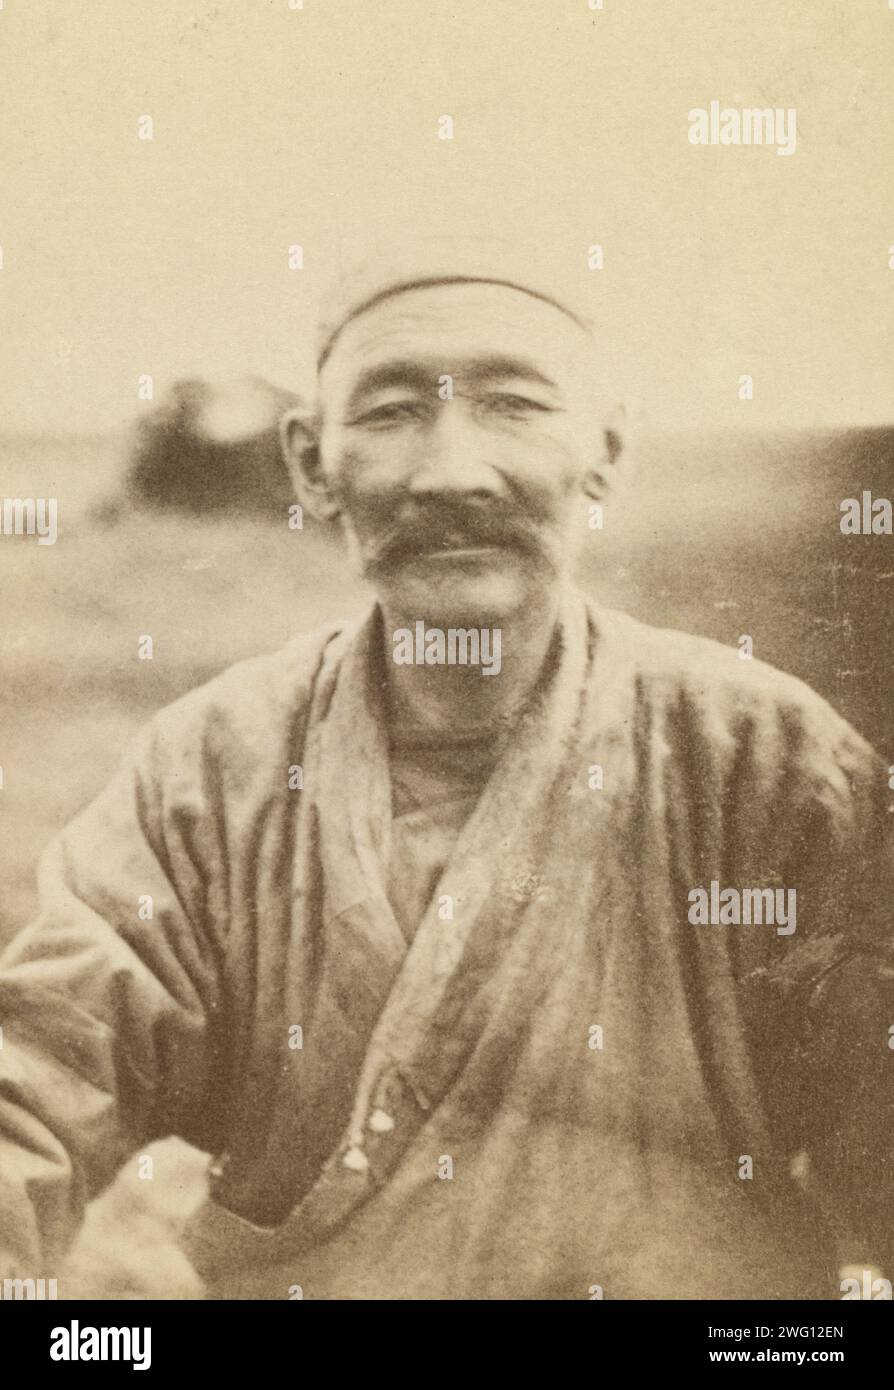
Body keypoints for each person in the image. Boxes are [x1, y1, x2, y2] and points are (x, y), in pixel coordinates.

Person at [1, 241, 892, 1300]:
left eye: (515, 404)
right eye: (387, 414)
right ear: (309, 465)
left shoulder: (763, 763)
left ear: (607, 445)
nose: (453, 470)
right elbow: (35, 1089)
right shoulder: (208, 774)